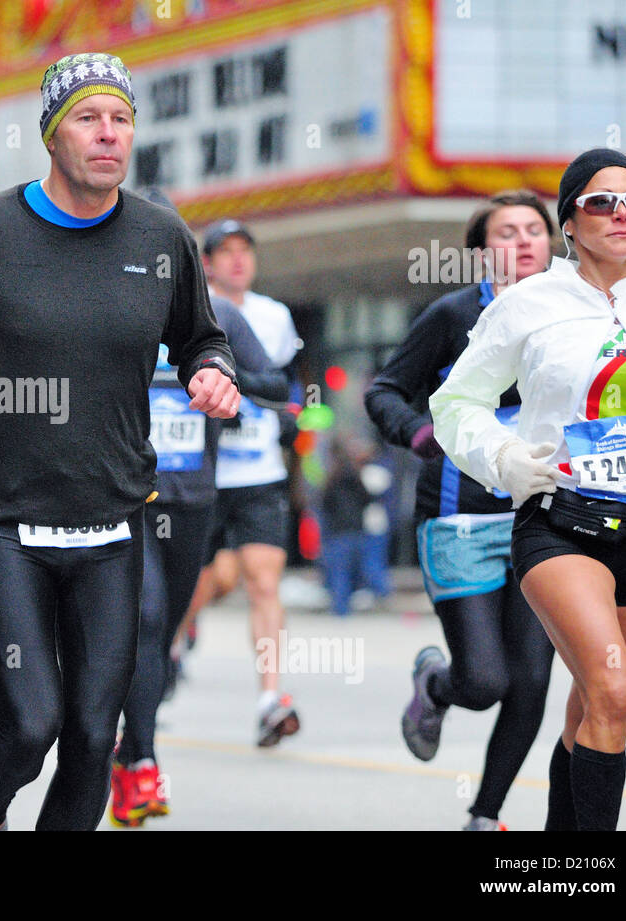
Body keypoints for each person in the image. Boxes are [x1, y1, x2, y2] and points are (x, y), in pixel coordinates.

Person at [0, 51, 239, 831]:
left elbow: (202, 339)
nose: (108, 134)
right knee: (33, 722)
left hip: (113, 523)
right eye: (88, 117)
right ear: (52, 134)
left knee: (90, 736)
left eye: (121, 119)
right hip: (6, 521)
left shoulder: (162, 237)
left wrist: (212, 371)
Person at [432, 149, 626, 832]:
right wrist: (501, 457)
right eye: (601, 201)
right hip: (560, 524)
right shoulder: (526, 304)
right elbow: (456, 403)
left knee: (598, 707)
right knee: (614, 689)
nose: (622, 213)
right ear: (569, 220)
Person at [366, 189, 556, 830]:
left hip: (545, 520)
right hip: (461, 522)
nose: (525, 240)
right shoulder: (451, 316)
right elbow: (386, 390)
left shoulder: (572, 319)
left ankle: (484, 816)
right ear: (481, 253)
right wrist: (424, 436)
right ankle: (438, 685)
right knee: (485, 683)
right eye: (508, 232)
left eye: (536, 229)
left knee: (531, 684)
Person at [110, 188, 290, 827]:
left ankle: (127, 747)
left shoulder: (208, 312)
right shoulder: (97, 305)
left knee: (158, 634)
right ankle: (141, 763)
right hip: (118, 496)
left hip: (190, 500)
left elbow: (279, 384)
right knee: (149, 618)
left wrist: (222, 377)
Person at [182, 218, 303, 747]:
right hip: (198, 472)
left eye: (244, 251)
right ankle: (174, 637)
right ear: (206, 262)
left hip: (258, 469)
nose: (237, 261)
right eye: (224, 252)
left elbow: (286, 384)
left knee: (262, 579)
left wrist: (280, 409)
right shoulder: (190, 307)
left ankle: (270, 699)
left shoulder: (275, 316)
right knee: (204, 583)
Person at [318, 435, 393, 617]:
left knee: (341, 571)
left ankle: (341, 608)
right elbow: (367, 499)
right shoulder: (359, 477)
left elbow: (326, 504)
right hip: (357, 529)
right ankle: (370, 598)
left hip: (341, 531)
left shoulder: (333, 479)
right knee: (355, 568)